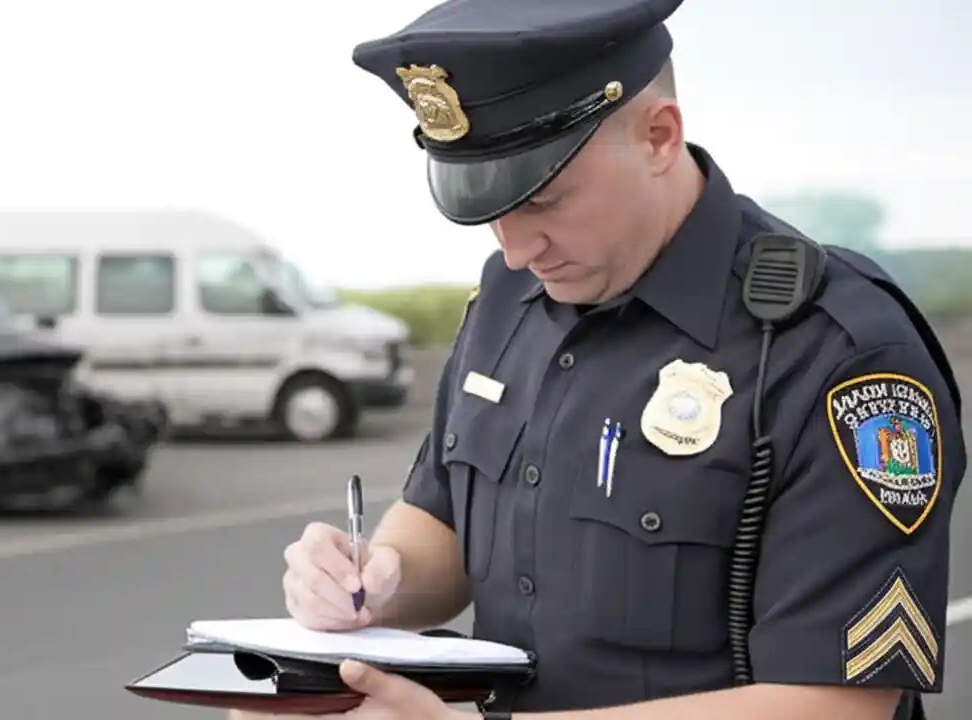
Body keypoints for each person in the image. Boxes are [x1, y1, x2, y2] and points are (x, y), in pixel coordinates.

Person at [231, 0, 966, 718]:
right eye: (490, 210)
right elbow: (443, 520)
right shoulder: (509, 297)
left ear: (658, 136)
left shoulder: (839, 351)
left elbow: (836, 706)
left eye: (545, 200)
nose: (516, 249)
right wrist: (375, 579)